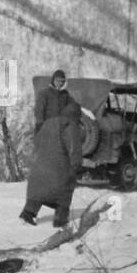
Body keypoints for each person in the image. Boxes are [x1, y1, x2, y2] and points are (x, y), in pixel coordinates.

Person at [20, 95, 83, 227]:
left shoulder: (48, 123)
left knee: (38, 191)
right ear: (77, 115)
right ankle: (60, 222)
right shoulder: (71, 126)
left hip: (39, 167)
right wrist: (76, 167)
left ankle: (27, 214)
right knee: (64, 193)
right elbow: (74, 150)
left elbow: (36, 143)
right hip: (58, 170)